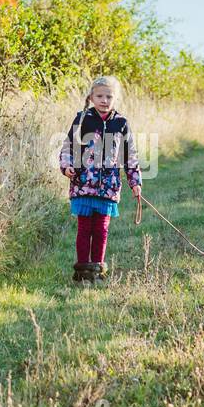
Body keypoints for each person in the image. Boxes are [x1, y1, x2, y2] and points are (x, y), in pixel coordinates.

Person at [58, 75, 142, 283]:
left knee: (102, 228)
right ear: (91, 97)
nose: (104, 100)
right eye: (100, 96)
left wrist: (135, 181)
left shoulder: (121, 123)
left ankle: (97, 268)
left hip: (108, 187)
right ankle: (82, 270)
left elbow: (129, 155)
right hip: (83, 184)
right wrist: (67, 165)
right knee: (85, 227)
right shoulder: (82, 119)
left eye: (109, 97)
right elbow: (69, 146)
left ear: (115, 99)